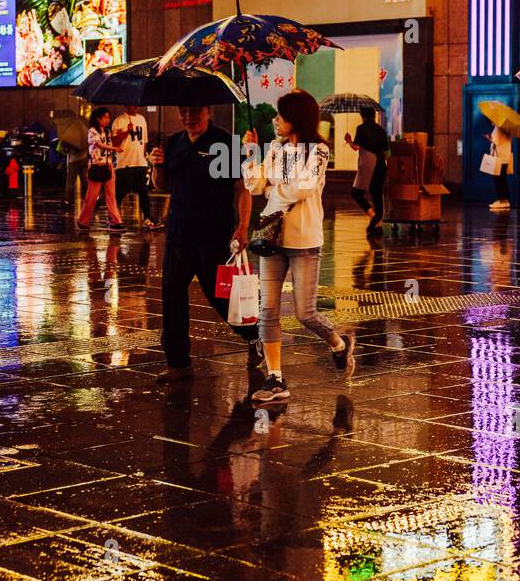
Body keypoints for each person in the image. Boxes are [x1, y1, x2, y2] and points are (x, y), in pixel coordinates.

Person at [243, 89, 355, 404]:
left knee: (306, 313)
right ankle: (275, 377)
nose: (276, 121)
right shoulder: (276, 149)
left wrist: (274, 189)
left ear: (297, 119)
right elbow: (254, 186)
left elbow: (306, 187)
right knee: (268, 311)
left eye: (281, 115)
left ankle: (338, 343)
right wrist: (251, 154)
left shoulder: (318, 151)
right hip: (272, 238)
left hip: (304, 240)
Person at [150, 103, 258, 382]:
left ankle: (254, 337)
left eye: (194, 111)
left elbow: (241, 187)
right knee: (172, 295)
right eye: (184, 112)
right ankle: (178, 363)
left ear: (207, 111)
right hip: (178, 234)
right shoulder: (174, 143)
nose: (189, 116)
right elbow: (162, 186)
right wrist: (157, 165)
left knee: (220, 297)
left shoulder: (225, 143)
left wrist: (243, 226)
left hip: (214, 235)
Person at [76, 106, 122, 233]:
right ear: (98, 118)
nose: (108, 120)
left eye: (109, 117)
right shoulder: (92, 131)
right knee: (92, 197)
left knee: (111, 196)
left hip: (108, 165)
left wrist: (124, 133)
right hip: (96, 166)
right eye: (105, 117)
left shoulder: (107, 132)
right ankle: (82, 221)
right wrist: (113, 149)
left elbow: (112, 143)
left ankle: (116, 221)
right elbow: (98, 144)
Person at [345, 108, 389, 235]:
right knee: (377, 195)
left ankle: (374, 218)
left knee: (356, 193)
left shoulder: (361, 128)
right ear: (374, 116)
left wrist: (348, 140)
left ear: (362, 115)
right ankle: (378, 224)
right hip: (381, 165)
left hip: (368, 164)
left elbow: (356, 147)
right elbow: (386, 153)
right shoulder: (381, 130)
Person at [112, 104, 154, 228]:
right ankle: (113, 218)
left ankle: (147, 218)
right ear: (126, 105)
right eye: (132, 104)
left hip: (140, 162)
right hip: (125, 162)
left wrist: (144, 158)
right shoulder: (119, 120)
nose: (136, 106)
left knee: (143, 192)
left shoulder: (142, 119)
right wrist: (127, 132)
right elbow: (114, 142)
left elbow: (144, 141)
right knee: (120, 192)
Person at [487, 124, 513, 211]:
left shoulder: (499, 127)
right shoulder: (508, 128)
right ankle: (505, 201)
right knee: (502, 179)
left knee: (498, 179)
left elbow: (496, 141)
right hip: (505, 157)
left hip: (499, 158)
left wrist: (489, 138)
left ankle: (501, 201)